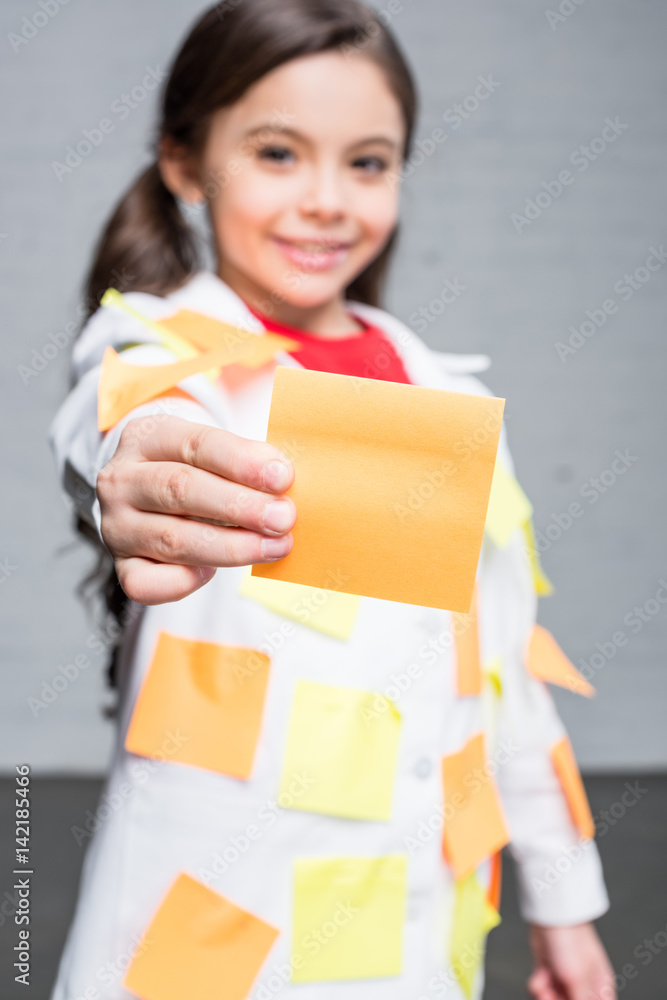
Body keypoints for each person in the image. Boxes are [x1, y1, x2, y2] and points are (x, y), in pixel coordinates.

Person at [47, 2, 618, 998]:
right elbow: (120, 421)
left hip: (407, 929)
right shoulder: (166, 353)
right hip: (208, 931)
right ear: (184, 163)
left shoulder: (447, 395)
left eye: (367, 162)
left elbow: (503, 674)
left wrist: (563, 900)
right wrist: (127, 473)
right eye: (277, 153)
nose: (327, 200)